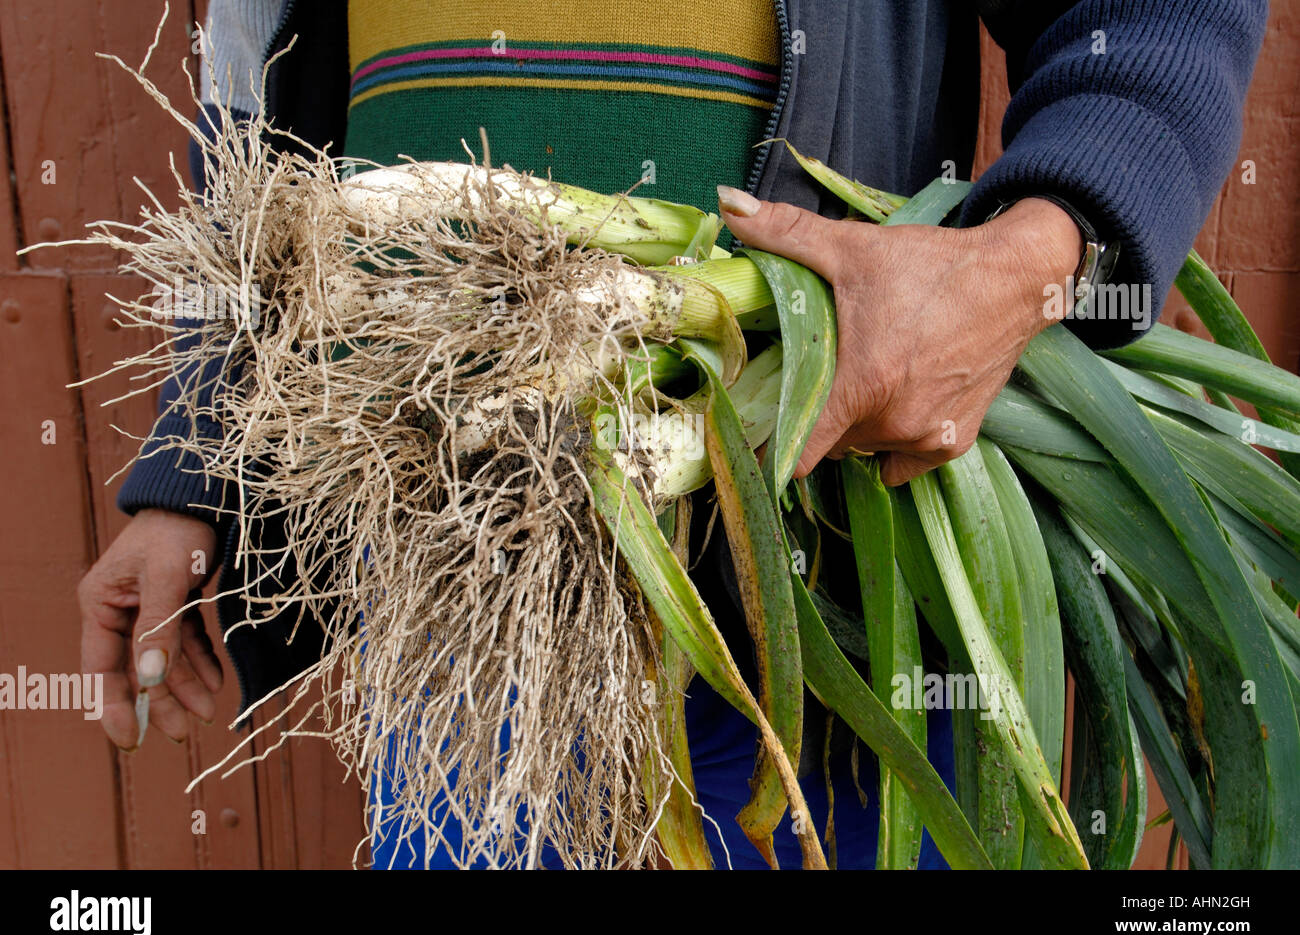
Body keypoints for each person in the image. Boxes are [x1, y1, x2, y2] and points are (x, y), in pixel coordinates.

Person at [77, 0, 1268, 867]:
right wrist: (201, 462)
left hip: (826, 611)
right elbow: (251, 122)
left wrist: (1022, 262)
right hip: (458, 597)